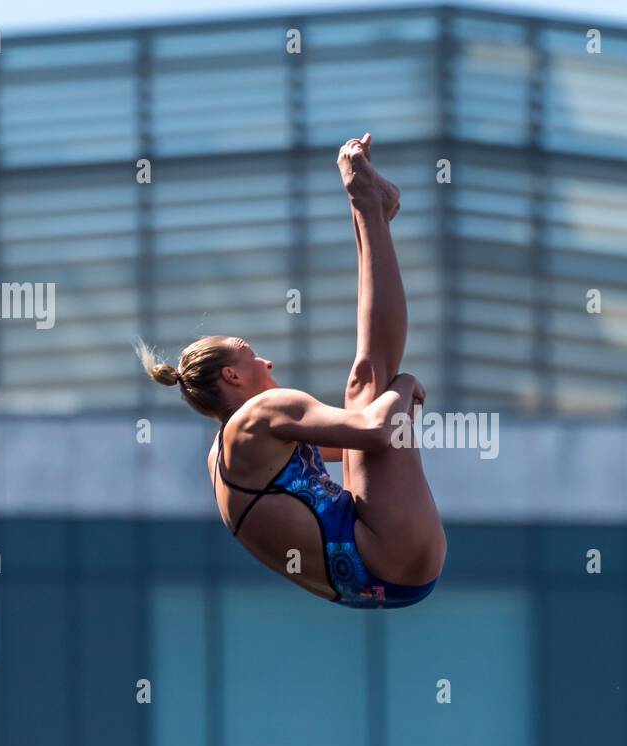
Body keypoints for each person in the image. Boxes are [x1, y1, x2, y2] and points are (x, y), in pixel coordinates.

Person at [138, 134, 445, 609]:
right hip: (388, 555)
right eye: (250, 354)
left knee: (367, 384)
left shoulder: (225, 456)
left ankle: (370, 209)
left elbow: (355, 441)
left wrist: (391, 399)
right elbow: (378, 430)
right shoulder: (263, 413)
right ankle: (365, 203)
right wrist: (404, 388)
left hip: (381, 581)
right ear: (232, 378)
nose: (267, 362)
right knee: (372, 381)